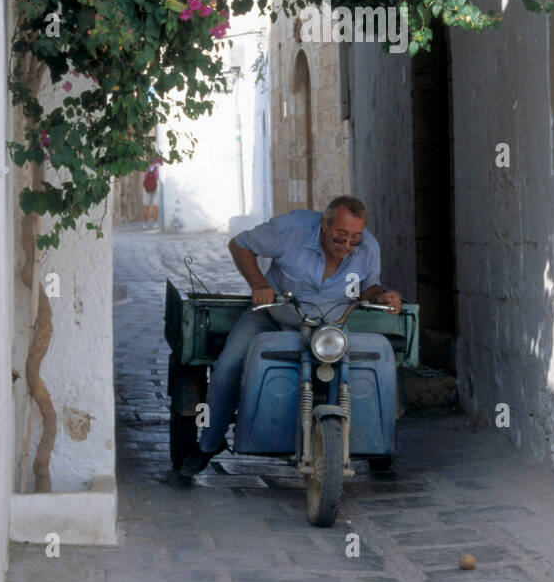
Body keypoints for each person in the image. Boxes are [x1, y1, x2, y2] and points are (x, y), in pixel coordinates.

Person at [179, 195, 402, 478]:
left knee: (369, 368)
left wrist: (383, 295)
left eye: (354, 238)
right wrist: (259, 284)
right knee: (226, 368)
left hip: (329, 326)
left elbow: (367, 287)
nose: (347, 246)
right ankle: (208, 441)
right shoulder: (291, 230)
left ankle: (374, 442)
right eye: (340, 237)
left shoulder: (368, 248)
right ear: (324, 225)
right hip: (271, 317)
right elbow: (240, 244)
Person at [142, 158, 160, 228]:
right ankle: (155, 223)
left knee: (146, 207)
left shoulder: (147, 167)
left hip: (147, 189)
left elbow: (145, 176)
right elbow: (157, 177)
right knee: (155, 207)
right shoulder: (157, 167)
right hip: (155, 188)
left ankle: (145, 224)